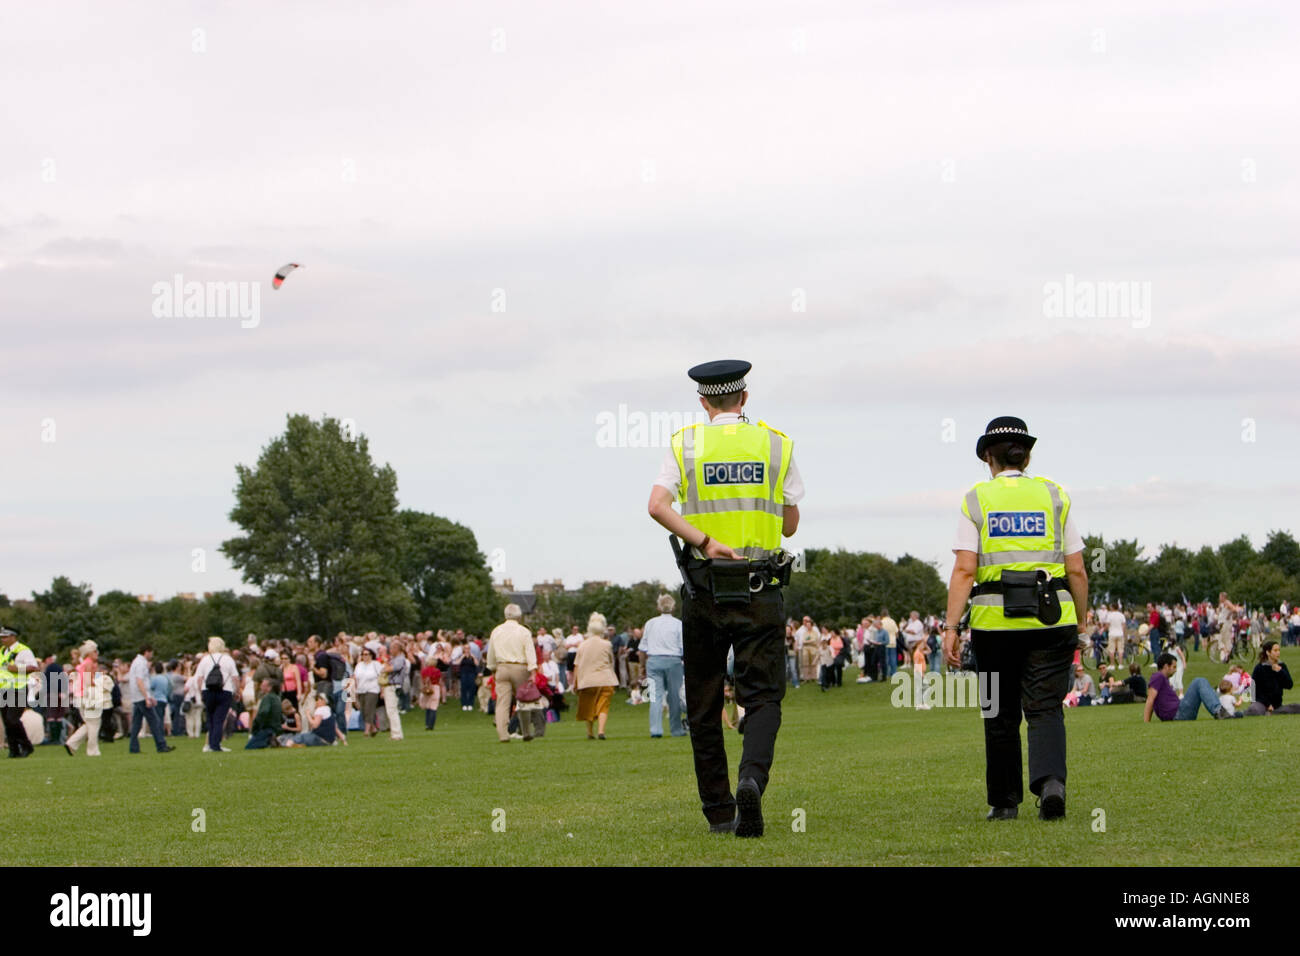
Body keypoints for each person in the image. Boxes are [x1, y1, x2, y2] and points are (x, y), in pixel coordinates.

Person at [648, 359, 803, 837]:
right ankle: (751, 778)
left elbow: (657, 506)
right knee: (762, 698)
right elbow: (790, 523)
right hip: (761, 587)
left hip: (705, 586)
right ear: (744, 398)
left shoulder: (685, 444)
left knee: (703, 702)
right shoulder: (776, 444)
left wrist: (704, 541)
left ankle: (719, 811)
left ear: (703, 402)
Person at [942, 417, 1087, 822]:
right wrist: (1083, 621)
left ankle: (1005, 802)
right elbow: (1076, 569)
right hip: (1051, 619)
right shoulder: (1054, 496)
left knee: (999, 712)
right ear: (1027, 456)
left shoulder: (976, 499)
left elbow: (965, 570)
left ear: (988, 457)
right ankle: (1051, 783)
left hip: (994, 625)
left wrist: (951, 627)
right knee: (1044, 708)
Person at [485, 604, 538, 743]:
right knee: (523, 701)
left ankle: (503, 734)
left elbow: (491, 652)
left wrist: (492, 668)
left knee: (502, 703)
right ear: (519, 616)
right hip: (520, 667)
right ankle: (525, 731)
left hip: (502, 667)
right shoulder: (523, 631)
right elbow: (529, 652)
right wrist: (533, 670)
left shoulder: (496, 631)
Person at [641, 593, 686, 738]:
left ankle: (655, 729)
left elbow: (643, 647)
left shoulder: (650, 623)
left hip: (654, 660)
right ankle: (676, 729)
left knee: (655, 697)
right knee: (674, 697)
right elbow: (682, 646)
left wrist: (643, 666)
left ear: (658, 607)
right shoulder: (678, 624)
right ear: (673, 607)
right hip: (673, 661)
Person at [1144, 653, 1232, 721]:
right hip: (1177, 714)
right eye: (1174, 667)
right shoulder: (1158, 676)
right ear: (1166, 666)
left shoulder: (1163, 679)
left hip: (1178, 712)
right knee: (1199, 681)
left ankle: (1224, 712)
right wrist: (1146, 722)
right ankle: (1219, 710)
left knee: (1199, 683)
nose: (1175, 670)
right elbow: (1150, 699)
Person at [573, 613, 618, 739]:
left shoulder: (582, 645)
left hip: (587, 680)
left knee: (588, 706)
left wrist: (575, 683)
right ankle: (601, 731)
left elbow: (576, 665)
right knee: (603, 706)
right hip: (605, 679)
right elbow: (610, 662)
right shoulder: (607, 644)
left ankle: (590, 732)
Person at [194, 636, 239, 753]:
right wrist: (237, 691)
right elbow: (235, 677)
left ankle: (210, 744)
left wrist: (200, 691)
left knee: (210, 718)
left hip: (207, 690)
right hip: (225, 690)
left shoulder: (205, 660)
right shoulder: (228, 659)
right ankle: (215, 745)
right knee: (219, 718)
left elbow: (199, 678)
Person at [126, 646, 174, 754]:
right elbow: (140, 681)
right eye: (151, 653)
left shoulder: (136, 662)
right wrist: (147, 697)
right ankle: (161, 745)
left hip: (137, 696)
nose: (152, 655)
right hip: (141, 696)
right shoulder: (141, 663)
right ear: (146, 652)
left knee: (137, 723)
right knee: (154, 721)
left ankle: (133, 747)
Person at [0, 627, 39, 758]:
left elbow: (33, 667)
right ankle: (13, 749)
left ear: (13, 637)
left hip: (19, 688)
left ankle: (26, 745)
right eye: (1, 637)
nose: (2, 639)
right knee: (6, 721)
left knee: (13, 719)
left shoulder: (23, 651)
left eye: (5, 637)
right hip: (4, 689)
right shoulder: (2, 651)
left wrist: (16, 668)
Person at [1246, 641, 1300, 715]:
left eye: (1279, 650)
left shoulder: (1282, 666)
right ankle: (1267, 711)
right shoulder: (1260, 668)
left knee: (1297, 707)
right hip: (1261, 703)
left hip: (1276, 704)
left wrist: (1280, 672)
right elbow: (1253, 689)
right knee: (1254, 710)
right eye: (1275, 650)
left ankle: (1273, 712)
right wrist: (1267, 704)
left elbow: (1289, 685)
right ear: (1268, 652)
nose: (1278, 653)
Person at [245, 679, 283, 748]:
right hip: (276, 728)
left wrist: (256, 725)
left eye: (263, 685)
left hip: (267, 729)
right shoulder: (277, 698)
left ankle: (269, 741)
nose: (260, 687)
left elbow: (263, 712)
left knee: (249, 747)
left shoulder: (267, 698)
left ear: (269, 687)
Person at [353, 646, 382, 736]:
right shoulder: (359, 665)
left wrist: (382, 690)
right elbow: (355, 678)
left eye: (366, 654)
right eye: (363, 654)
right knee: (363, 710)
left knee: (369, 708)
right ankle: (373, 728)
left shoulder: (375, 664)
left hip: (372, 689)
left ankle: (366, 730)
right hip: (361, 690)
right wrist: (354, 692)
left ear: (371, 655)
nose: (365, 656)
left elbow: (381, 677)